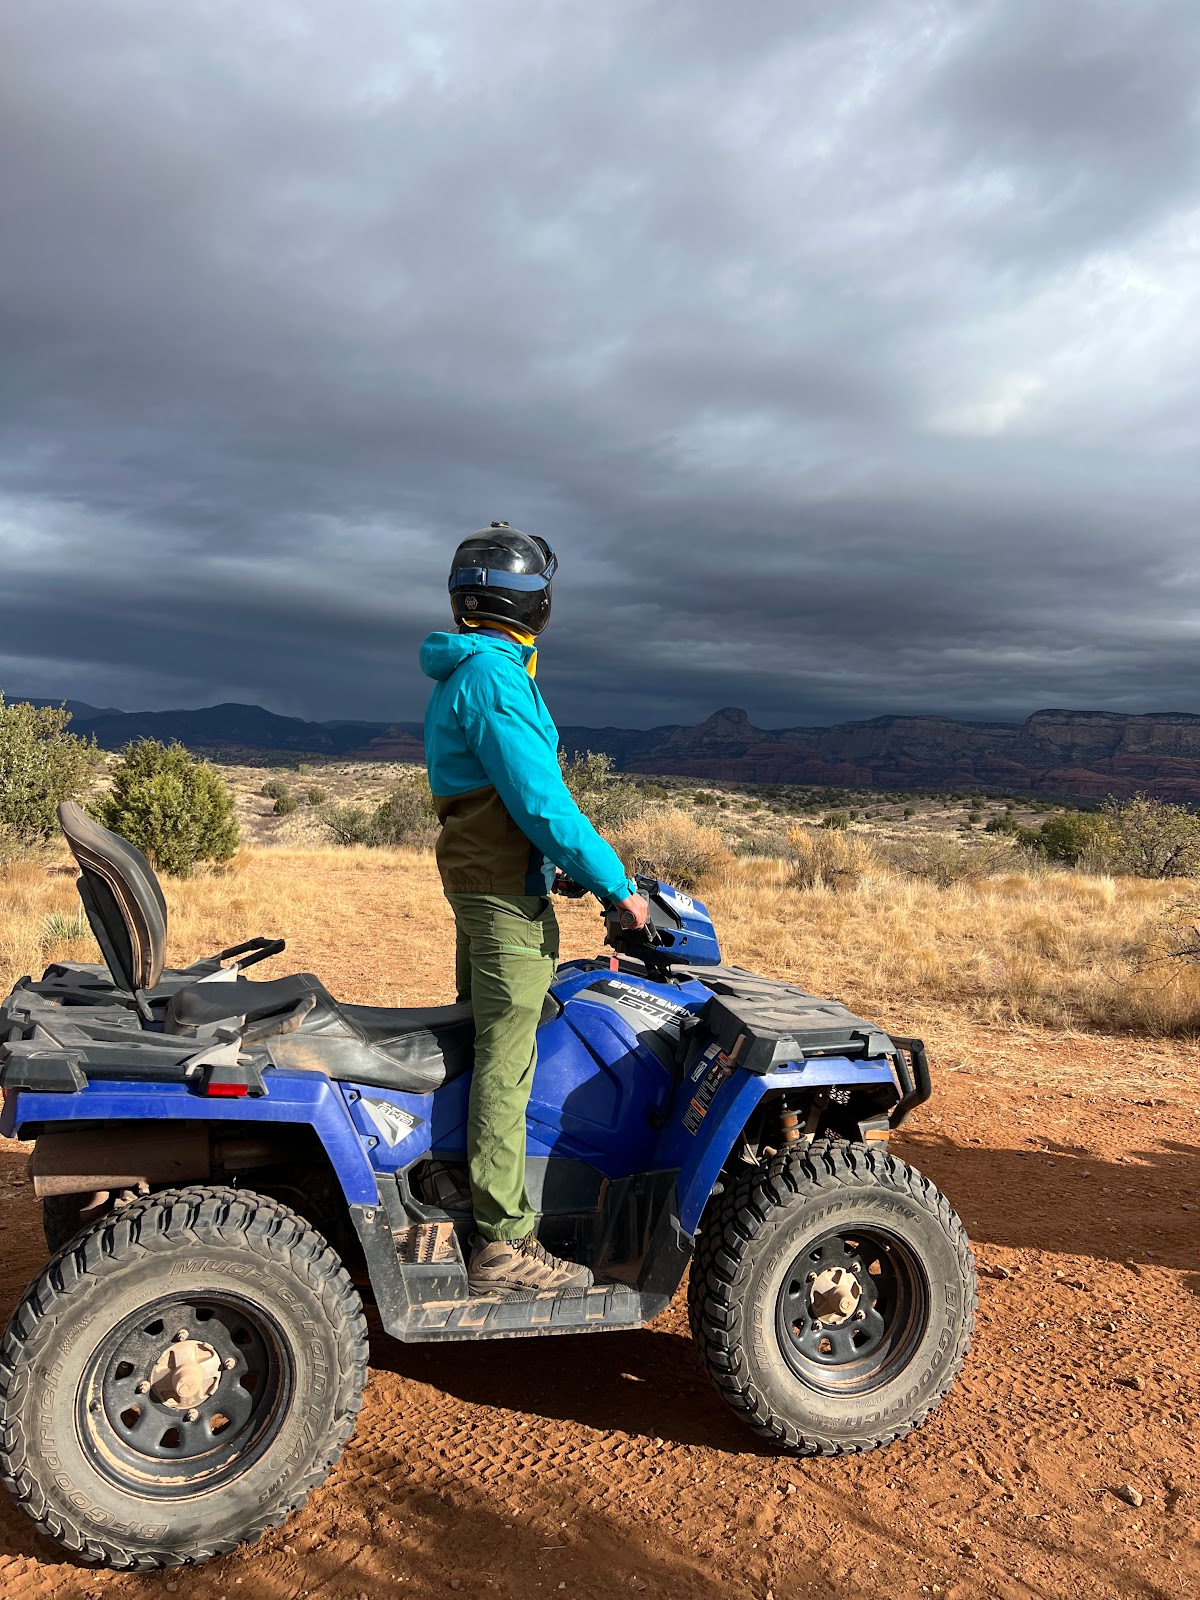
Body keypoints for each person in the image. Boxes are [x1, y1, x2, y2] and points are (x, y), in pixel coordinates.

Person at [420, 522, 648, 1299]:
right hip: (499, 898)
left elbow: (509, 804)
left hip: (489, 879)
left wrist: (558, 870)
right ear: (532, 601)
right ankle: (506, 1242)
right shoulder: (494, 678)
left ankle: (458, 1185)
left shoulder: (474, 671)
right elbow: (541, 801)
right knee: (507, 1059)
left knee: (478, 1037)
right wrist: (618, 887)